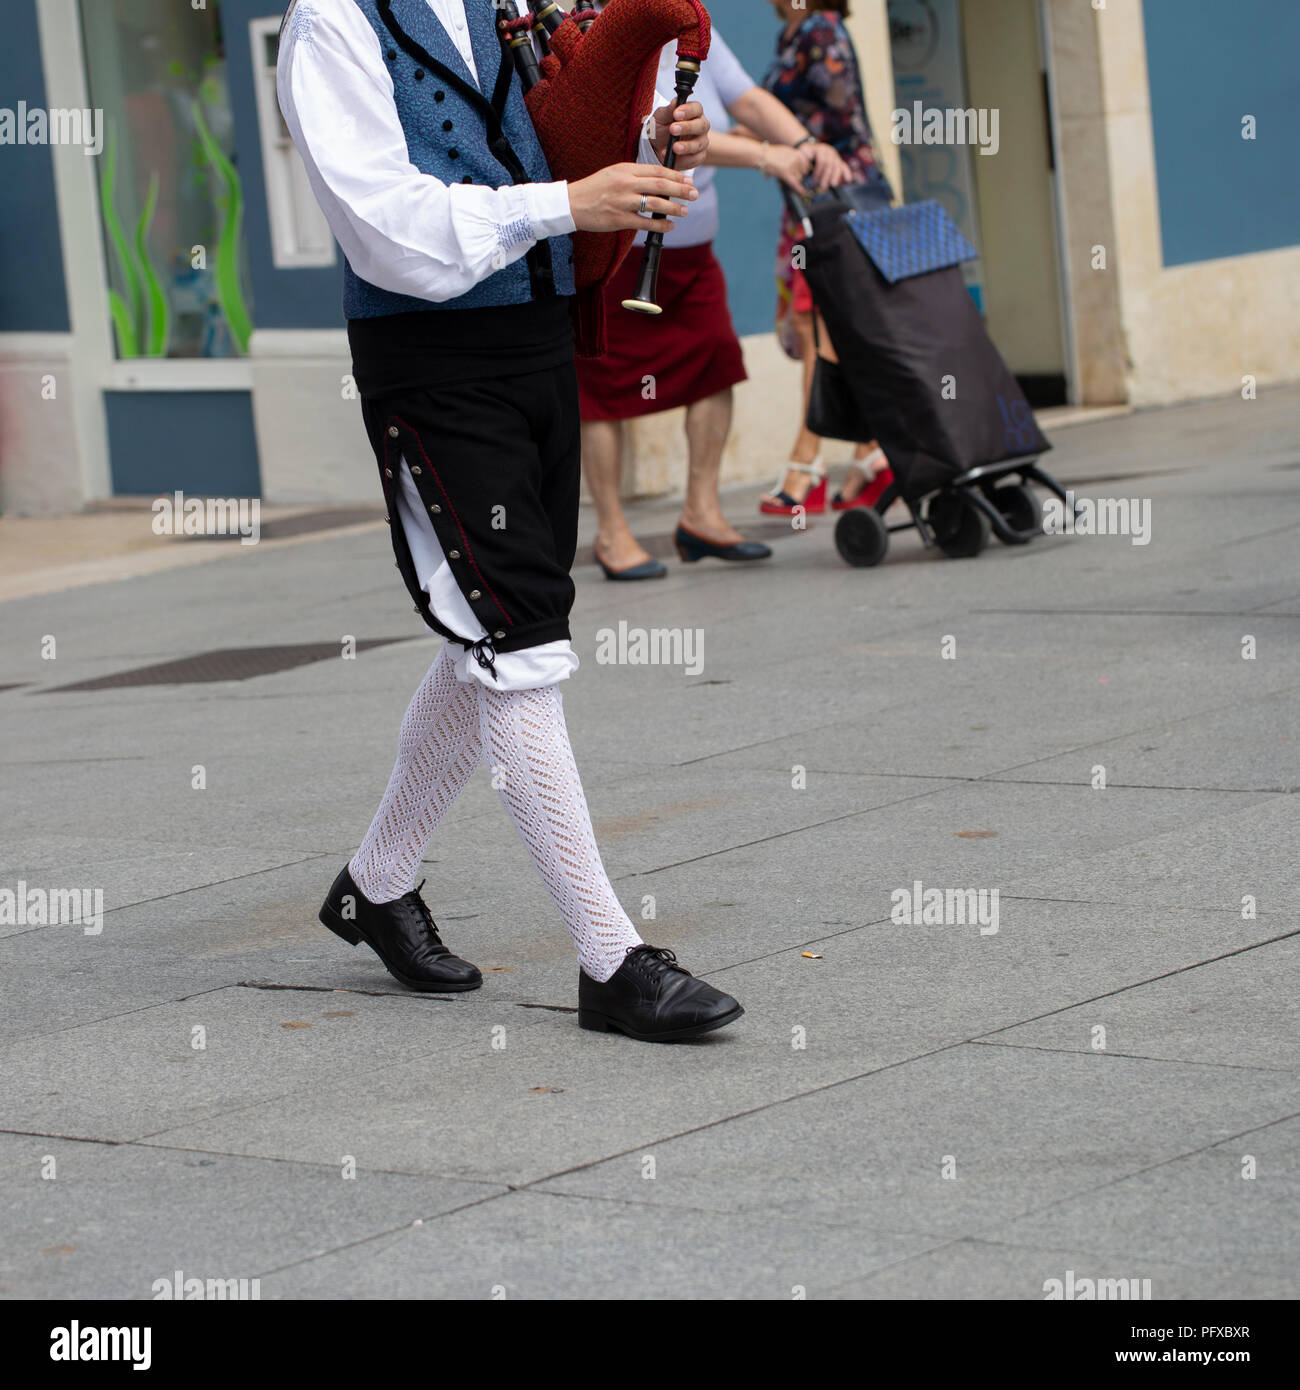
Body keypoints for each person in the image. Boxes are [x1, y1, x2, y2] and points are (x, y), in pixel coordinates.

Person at [276, 0, 743, 1042]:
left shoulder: (497, 2)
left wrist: (633, 151)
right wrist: (565, 203)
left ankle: (376, 882)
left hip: (536, 339)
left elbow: (541, 140)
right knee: (522, 641)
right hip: (432, 361)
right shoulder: (329, 24)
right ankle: (611, 960)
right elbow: (380, 223)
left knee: (497, 620)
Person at [576, 17, 850, 578]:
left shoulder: (695, 29)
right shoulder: (607, 27)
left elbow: (747, 98)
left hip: (692, 250)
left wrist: (803, 142)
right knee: (603, 391)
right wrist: (766, 157)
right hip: (623, 248)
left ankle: (701, 514)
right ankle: (612, 532)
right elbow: (666, 132)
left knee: (716, 366)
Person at [757, 0, 894, 517]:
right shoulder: (793, 34)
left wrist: (766, 135)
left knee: (817, 322)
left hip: (839, 201)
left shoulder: (821, 29)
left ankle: (807, 460)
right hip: (809, 202)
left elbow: (836, 110)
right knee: (829, 326)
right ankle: (870, 453)